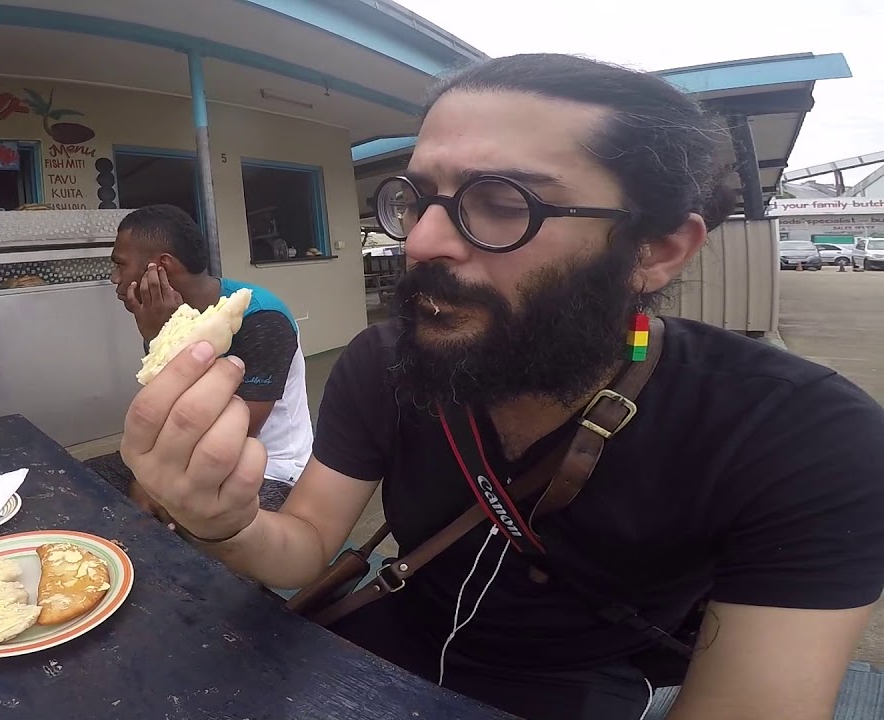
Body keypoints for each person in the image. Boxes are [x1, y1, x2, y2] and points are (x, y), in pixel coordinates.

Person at [116, 54, 884, 720]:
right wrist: (224, 522)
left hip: (586, 688)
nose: (421, 242)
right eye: (418, 200)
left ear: (655, 251)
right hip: (379, 650)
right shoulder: (382, 364)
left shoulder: (798, 437)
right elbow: (308, 544)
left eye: (505, 202)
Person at [107, 204, 313, 514]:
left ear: (161, 267)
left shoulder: (262, 319)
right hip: (187, 454)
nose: (115, 278)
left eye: (121, 265)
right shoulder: (166, 315)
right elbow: (163, 406)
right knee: (83, 483)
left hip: (268, 469)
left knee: (178, 540)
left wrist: (151, 483)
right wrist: (160, 334)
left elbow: (232, 434)